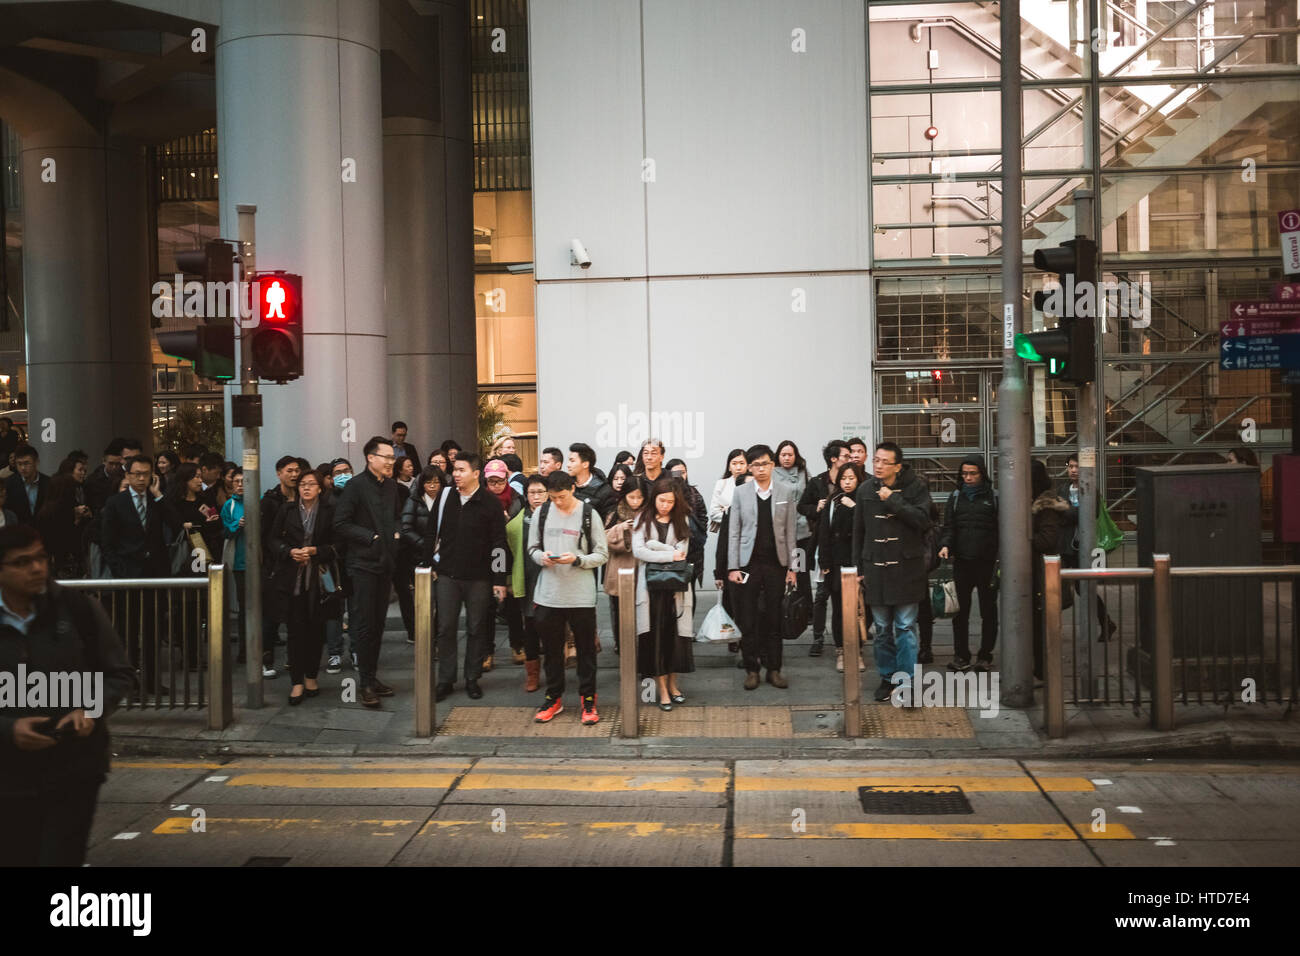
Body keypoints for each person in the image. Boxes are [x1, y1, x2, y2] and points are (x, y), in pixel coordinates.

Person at [0, 524, 135, 867]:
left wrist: (89, 710)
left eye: (41, 558)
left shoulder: (78, 610)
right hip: (8, 775)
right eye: (21, 562)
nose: (36, 568)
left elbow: (118, 673)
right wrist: (8, 729)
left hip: (73, 769)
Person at [853, 441, 933, 703]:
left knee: (906, 627)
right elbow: (859, 532)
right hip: (875, 569)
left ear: (898, 466)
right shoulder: (865, 489)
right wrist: (858, 569)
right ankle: (887, 678)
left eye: (884, 462)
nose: (878, 465)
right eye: (876, 460)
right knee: (883, 629)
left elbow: (923, 521)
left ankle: (907, 681)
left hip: (907, 569)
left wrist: (893, 500)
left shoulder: (915, 487)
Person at [529, 470, 609, 724]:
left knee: (586, 651)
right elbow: (531, 548)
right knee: (552, 651)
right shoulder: (541, 512)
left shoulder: (588, 514)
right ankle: (554, 697)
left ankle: (588, 700)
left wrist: (578, 560)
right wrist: (540, 557)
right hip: (549, 594)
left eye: (561, 496)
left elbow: (602, 554)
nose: (558, 502)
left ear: (573, 489)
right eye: (552, 497)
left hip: (581, 595)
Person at [431, 453, 508, 702]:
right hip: (447, 575)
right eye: (454, 469)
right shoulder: (445, 497)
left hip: (480, 577)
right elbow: (431, 531)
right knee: (445, 627)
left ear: (476, 473)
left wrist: (499, 579)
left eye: (462, 470)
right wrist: (427, 563)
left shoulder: (490, 503)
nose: (456, 474)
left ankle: (472, 678)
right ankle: (445, 679)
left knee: (477, 627)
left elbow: (499, 543)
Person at [332, 437, 401, 708]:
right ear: (370, 458)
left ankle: (373, 677)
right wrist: (370, 537)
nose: (390, 462)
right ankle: (365, 684)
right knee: (363, 625)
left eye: (392, 458)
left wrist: (395, 534)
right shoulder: (355, 486)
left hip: (385, 564)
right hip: (362, 565)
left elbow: (396, 515)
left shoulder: (393, 486)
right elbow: (341, 523)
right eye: (386, 457)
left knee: (378, 625)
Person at [727, 444, 798, 690]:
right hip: (748, 565)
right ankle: (752, 669)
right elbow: (733, 532)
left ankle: (774, 669)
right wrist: (732, 567)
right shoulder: (741, 492)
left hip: (777, 565)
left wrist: (794, 568)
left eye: (765, 463)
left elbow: (792, 533)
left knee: (774, 618)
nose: (760, 469)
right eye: (755, 464)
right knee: (748, 618)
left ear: (773, 465)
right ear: (749, 467)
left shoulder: (786, 491)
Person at [268, 469, 341, 705]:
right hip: (292, 578)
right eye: (302, 484)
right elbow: (272, 540)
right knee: (295, 631)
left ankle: (311, 676)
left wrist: (316, 551)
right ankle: (296, 681)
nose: (306, 488)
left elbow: (339, 543)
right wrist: (289, 551)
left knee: (316, 630)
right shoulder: (286, 510)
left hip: (320, 578)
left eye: (311, 484)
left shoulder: (330, 511)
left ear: (320, 488)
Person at [99, 455, 169, 693]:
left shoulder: (155, 500)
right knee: (127, 632)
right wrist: (121, 571)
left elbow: (176, 523)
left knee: (152, 630)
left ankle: (151, 681)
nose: (141, 478)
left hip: (153, 575)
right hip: (127, 576)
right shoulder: (115, 503)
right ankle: (129, 682)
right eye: (136, 474)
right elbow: (107, 543)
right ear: (127, 475)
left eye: (146, 474)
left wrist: (159, 495)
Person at [632, 476, 695, 710]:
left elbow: (684, 552)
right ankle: (662, 690)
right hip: (651, 590)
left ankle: (673, 684)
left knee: (676, 639)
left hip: (675, 588)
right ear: (654, 498)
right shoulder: (642, 518)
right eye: (661, 500)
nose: (665, 505)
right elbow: (640, 551)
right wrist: (669, 553)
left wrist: (655, 547)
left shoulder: (682, 520)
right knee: (655, 640)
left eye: (669, 501)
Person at [937, 454, 999, 672]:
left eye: (973, 473)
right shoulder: (955, 497)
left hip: (987, 563)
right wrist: (946, 545)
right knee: (959, 611)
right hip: (962, 562)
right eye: (964, 474)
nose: (968, 478)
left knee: (988, 611)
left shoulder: (993, 497)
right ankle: (961, 655)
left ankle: (985, 656)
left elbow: (1000, 529)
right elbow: (949, 526)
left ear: (982, 473)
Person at [1056, 452, 1117, 642]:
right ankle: (1051, 629)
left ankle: (1106, 623)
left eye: (1077, 467)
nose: (1073, 470)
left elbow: (1091, 514)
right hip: (1064, 546)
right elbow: (1058, 515)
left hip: (1084, 547)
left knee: (1085, 590)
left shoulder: (1091, 490)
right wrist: (1071, 512)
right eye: (1071, 466)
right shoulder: (1062, 489)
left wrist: (1067, 511)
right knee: (1055, 587)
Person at [798, 440, 852, 656]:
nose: (850, 459)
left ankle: (847, 641)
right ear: (833, 459)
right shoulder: (819, 481)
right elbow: (802, 506)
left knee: (844, 599)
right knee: (821, 595)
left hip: (846, 549)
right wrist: (816, 507)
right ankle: (818, 638)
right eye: (845, 456)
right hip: (823, 545)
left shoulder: (851, 481)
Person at [817, 462, 866, 673]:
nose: (847, 482)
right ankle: (841, 650)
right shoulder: (833, 501)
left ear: (858, 479)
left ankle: (857, 651)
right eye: (844, 478)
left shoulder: (864, 501)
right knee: (838, 608)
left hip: (859, 563)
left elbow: (867, 529)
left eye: (851, 478)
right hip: (836, 563)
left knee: (860, 609)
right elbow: (824, 534)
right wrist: (824, 563)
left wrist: (854, 507)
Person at [259, 455, 301, 677]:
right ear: (279, 473)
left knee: (296, 615)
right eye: (289, 471)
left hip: (299, 564)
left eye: (297, 470)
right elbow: (263, 536)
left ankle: (294, 660)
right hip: (275, 566)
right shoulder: (269, 500)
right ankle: (266, 659)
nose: (294, 475)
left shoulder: (303, 496)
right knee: (271, 617)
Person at [1031, 459, 1072, 683]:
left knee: (1039, 625)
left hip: (1041, 574)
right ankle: (1037, 669)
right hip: (1035, 573)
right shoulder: (1036, 502)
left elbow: (1047, 540)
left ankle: (1042, 671)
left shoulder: (1045, 507)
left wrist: (1022, 538)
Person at [507, 474, 549, 691]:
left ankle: (553, 672)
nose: (536, 497)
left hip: (553, 582)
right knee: (530, 629)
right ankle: (532, 674)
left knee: (552, 629)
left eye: (540, 492)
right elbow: (508, 552)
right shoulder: (516, 523)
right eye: (532, 493)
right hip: (529, 583)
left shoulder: (556, 516)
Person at [483, 458, 524, 667]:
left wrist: (507, 520)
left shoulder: (517, 499)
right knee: (488, 606)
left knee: (513, 606)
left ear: (507, 479)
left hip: (511, 557)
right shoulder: (481, 500)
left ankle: (517, 646)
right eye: (492, 482)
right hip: (487, 558)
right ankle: (487, 652)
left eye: (499, 481)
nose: (496, 486)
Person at [400, 464, 446, 649]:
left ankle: (437, 640)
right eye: (428, 482)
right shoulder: (414, 500)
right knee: (424, 602)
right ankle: (425, 642)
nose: (433, 486)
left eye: (436, 482)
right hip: (419, 557)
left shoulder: (447, 499)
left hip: (444, 557)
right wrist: (426, 547)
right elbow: (406, 528)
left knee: (442, 601)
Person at [604, 475, 647, 657]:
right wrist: (621, 529)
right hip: (620, 570)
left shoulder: (651, 513)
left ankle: (643, 650)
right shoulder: (615, 513)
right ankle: (623, 647)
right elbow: (603, 539)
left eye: (639, 497)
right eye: (631, 497)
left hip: (643, 569)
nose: (636, 501)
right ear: (624, 496)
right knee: (621, 613)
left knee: (643, 613)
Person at [773, 440, 812, 635]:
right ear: (777, 456)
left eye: (790, 454)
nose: (787, 458)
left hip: (801, 532)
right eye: (783, 455)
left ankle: (805, 609)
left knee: (801, 571)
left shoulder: (804, 473)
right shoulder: (772, 473)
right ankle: (783, 609)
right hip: (781, 533)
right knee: (781, 573)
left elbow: (810, 497)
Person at [36, 474, 90, 579]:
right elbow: (67, 538)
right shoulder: (64, 510)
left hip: (49, 561)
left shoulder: (44, 510)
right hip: (64, 561)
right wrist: (78, 520)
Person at [665, 458, 708, 590]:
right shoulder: (664, 493)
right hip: (668, 551)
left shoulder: (694, 493)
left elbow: (703, 518)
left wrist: (696, 534)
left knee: (689, 590)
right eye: (675, 473)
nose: (680, 477)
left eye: (683, 472)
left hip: (693, 552)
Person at [220, 467, 248, 662]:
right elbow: (226, 532)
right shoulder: (228, 506)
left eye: (244, 481)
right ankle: (245, 650)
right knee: (244, 607)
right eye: (236, 481)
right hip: (239, 563)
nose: (240, 485)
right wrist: (237, 525)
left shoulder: (260, 501)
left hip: (259, 561)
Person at [569, 442, 615, 521]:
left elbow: (607, 524)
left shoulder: (605, 491)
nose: (568, 465)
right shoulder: (566, 486)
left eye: (572, 461)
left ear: (585, 464)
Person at [6, 445, 50, 528]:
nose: (23, 468)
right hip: (19, 532)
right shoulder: (9, 483)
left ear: (36, 462)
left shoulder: (49, 483)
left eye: (26, 463)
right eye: (19, 464)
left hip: (44, 532)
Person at [708, 449, 749, 531]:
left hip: (748, 530)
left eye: (742, 463)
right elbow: (713, 513)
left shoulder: (753, 483)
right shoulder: (721, 484)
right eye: (734, 463)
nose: (738, 467)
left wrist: (727, 510)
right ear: (729, 467)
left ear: (748, 466)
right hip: (728, 530)